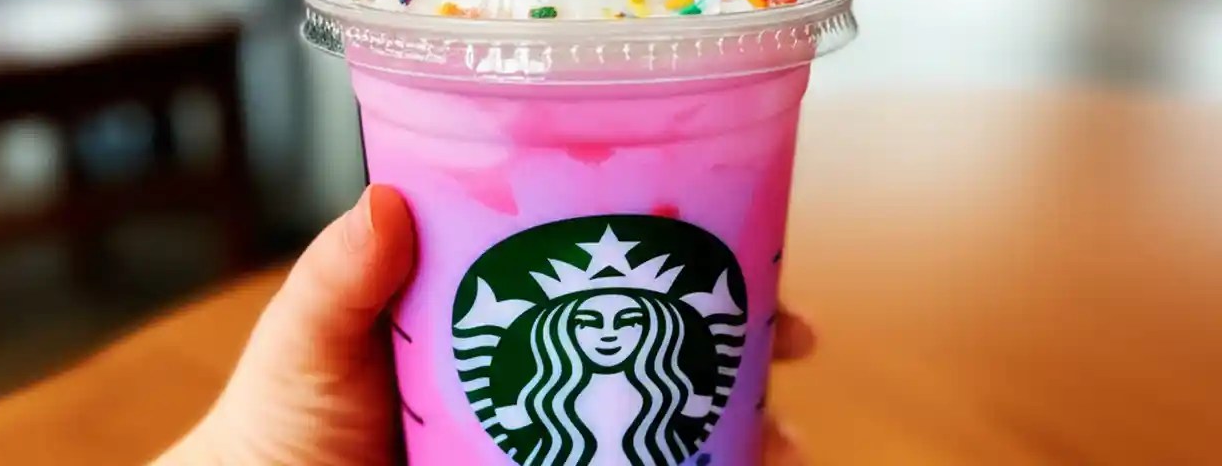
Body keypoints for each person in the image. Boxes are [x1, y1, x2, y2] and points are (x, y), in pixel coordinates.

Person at [153, 186, 812, 465]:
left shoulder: (672, 403)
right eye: (587, 317)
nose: (608, 333)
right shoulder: (542, 409)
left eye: (629, 317)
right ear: (558, 329)